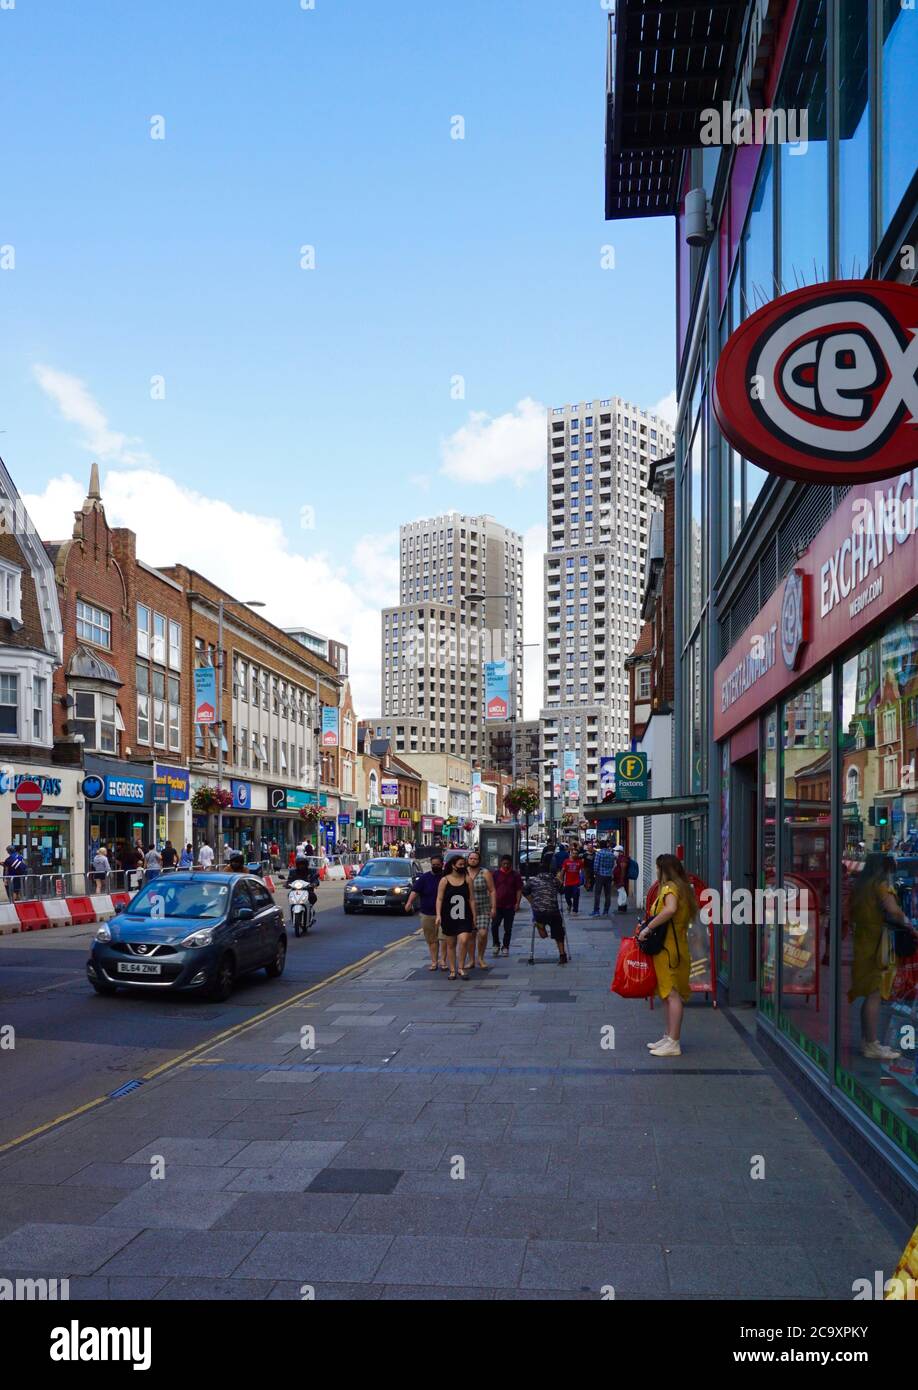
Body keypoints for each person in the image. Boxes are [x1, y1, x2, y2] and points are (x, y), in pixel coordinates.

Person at [848, 854, 917, 1060]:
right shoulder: (880, 886)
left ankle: (867, 1040)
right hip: (877, 943)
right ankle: (871, 1043)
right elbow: (894, 911)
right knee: (875, 993)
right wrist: (908, 923)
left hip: (863, 941)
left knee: (870, 992)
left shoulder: (860, 887)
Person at [638, 854, 698, 1057]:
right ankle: (669, 1036)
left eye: (658, 868)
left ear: (664, 870)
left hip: (668, 949)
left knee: (672, 995)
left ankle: (674, 1041)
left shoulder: (670, 888)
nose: (656, 872)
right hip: (674, 946)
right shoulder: (682, 888)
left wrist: (648, 928)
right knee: (668, 994)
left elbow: (670, 910)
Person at [522, 849, 568, 964]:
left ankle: (541, 928)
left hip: (539, 911)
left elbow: (524, 891)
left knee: (541, 928)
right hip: (553, 911)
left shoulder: (533, 881)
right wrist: (560, 879)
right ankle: (562, 955)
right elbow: (562, 891)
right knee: (559, 932)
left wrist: (532, 902)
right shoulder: (554, 880)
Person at [435, 853, 475, 980]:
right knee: (451, 944)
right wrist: (438, 915)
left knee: (463, 941)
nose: (463, 866)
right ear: (453, 866)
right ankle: (452, 970)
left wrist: (474, 916)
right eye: (460, 864)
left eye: (464, 864)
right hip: (449, 916)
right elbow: (439, 899)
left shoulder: (467, 879)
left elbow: (472, 899)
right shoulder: (444, 880)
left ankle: (461, 968)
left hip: (464, 916)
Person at [406, 853, 447, 972]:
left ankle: (443, 961)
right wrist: (409, 902)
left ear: (442, 864)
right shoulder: (424, 878)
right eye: (433, 865)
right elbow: (415, 891)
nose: (435, 866)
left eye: (438, 865)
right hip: (427, 914)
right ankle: (434, 962)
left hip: (444, 914)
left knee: (444, 939)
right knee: (432, 940)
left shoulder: (446, 877)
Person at [465, 850, 495, 971]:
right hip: (467, 910)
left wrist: (493, 907)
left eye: (475, 859)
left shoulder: (485, 872)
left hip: (483, 908)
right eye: (471, 858)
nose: (473, 860)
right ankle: (471, 960)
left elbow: (492, 890)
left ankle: (480, 958)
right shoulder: (463, 872)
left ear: (479, 860)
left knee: (482, 934)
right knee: (470, 936)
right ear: (468, 860)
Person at [491, 854, 523, 956]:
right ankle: (496, 944)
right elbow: (491, 890)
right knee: (494, 926)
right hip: (497, 905)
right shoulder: (495, 874)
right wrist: (492, 905)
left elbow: (519, 890)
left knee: (508, 928)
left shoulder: (515, 875)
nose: (505, 866)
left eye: (508, 864)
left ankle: (505, 946)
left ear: (511, 864)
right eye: (504, 863)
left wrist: (517, 903)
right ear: (501, 863)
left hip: (510, 906)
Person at [591, 839, 614, 916]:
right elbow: (612, 865)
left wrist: (595, 873)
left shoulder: (599, 854)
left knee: (597, 893)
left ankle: (596, 911)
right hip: (609, 875)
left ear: (600, 846)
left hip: (600, 875)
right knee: (607, 894)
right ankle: (606, 911)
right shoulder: (611, 854)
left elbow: (596, 865)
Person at [559, 848, 583, 915]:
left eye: (576, 853)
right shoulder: (566, 861)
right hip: (568, 882)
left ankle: (575, 910)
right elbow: (563, 871)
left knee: (576, 896)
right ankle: (569, 905)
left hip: (576, 882)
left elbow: (582, 871)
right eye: (573, 853)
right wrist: (561, 880)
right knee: (567, 897)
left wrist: (584, 880)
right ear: (571, 853)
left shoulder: (579, 862)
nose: (575, 855)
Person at [612, 846, 629, 912]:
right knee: (621, 892)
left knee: (622, 892)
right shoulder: (619, 858)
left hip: (620, 879)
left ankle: (622, 906)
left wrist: (622, 880)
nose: (614, 852)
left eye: (616, 851)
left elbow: (623, 870)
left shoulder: (623, 859)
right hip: (618, 879)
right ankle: (621, 906)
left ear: (620, 852)